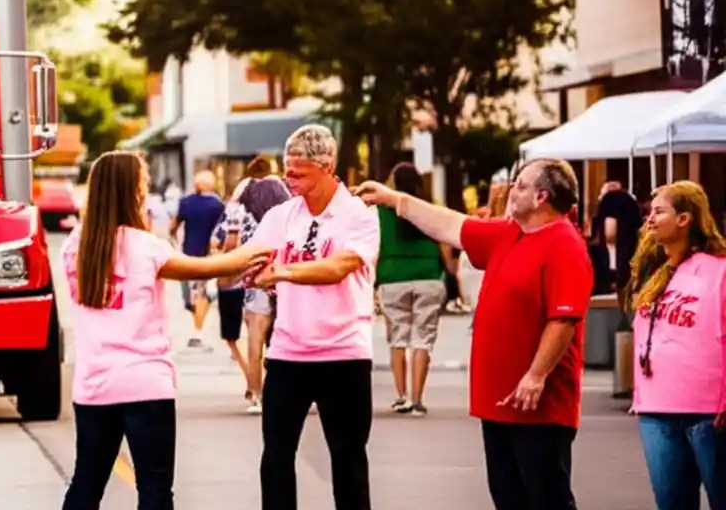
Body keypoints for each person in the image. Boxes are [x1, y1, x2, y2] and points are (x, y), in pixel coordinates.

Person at [355, 158, 593, 510]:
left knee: (547, 499)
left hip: (539, 409)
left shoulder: (563, 244)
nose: (513, 189)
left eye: (522, 185)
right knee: (509, 498)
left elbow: (563, 320)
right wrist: (395, 199)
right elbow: (453, 225)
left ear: (542, 196)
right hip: (498, 403)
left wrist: (536, 374)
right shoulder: (510, 234)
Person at [60, 150, 270, 510]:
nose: (145, 192)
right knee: (155, 488)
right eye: (142, 184)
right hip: (145, 383)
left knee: (87, 481)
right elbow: (211, 267)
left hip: (95, 385)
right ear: (131, 192)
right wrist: (266, 245)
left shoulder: (76, 248)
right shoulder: (146, 247)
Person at [246, 124, 381, 510]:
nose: (289, 179)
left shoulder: (357, 214)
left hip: (343, 354)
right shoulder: (282, 214)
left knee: (348, 458)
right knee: (276, 454)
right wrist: (219, 268)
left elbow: (340, 265)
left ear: (328, 166)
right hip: (289, 352)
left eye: (299, 172)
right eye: (287, 169)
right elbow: (250, 257)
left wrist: (283, 272)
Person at [625, 181, 726, 509]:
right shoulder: (655, 273)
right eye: (648, 212)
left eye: (658, 211)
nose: (649, 220)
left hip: (709, 411)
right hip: (656, 410)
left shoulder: (719, 270)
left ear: (684, 219)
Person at [210, 175, 292, 414]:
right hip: (284, 277)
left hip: (255, 280)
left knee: (255, 340)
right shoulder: (288, 216)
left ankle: (256, 395)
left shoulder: (244, 216)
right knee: (287, 338)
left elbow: (229, 243)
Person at [374, 162, 450, 417]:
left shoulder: (381, 211)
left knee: (397, 338)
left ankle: (401, 397)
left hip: (392, 275)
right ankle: (417, 399)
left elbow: (374, 244)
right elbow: (445, 241)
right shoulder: (429, 207)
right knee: (422, 339)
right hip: (428, 275)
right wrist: (449, 270)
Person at [170, 170, 225, 348]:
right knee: (202, 295)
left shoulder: (186, 203)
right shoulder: (219, 205)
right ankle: (198, 329)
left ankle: (198, 332)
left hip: (188, 254)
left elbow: (173, 227)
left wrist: (174, 242)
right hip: (209, 256)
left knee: (192, 296)